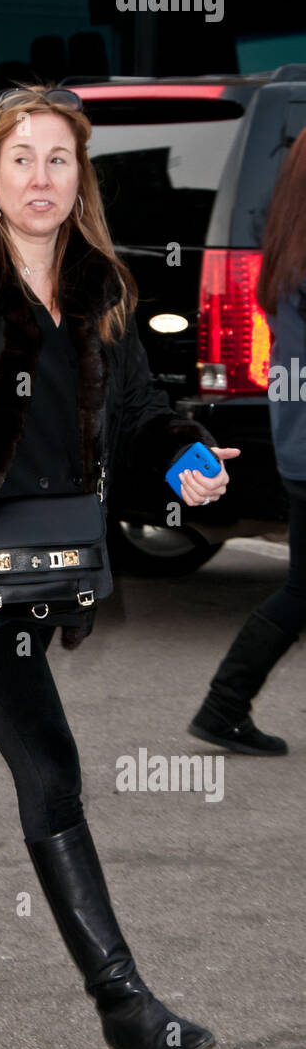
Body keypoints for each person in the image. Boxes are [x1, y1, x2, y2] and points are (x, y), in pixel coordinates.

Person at [0, 84, 239, 1049]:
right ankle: (120, 1000)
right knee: (48, 765)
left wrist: (185, 455)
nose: (39, 177)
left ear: (80, 176)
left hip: (47, 561)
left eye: (57, 160)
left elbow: (143, 416)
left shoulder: (100, 287)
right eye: (20, 158)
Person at [189, 128, 306, 755]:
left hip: (296, 449)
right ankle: (222, 705)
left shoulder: (287, 255)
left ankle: (223, 705)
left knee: (300, 591)